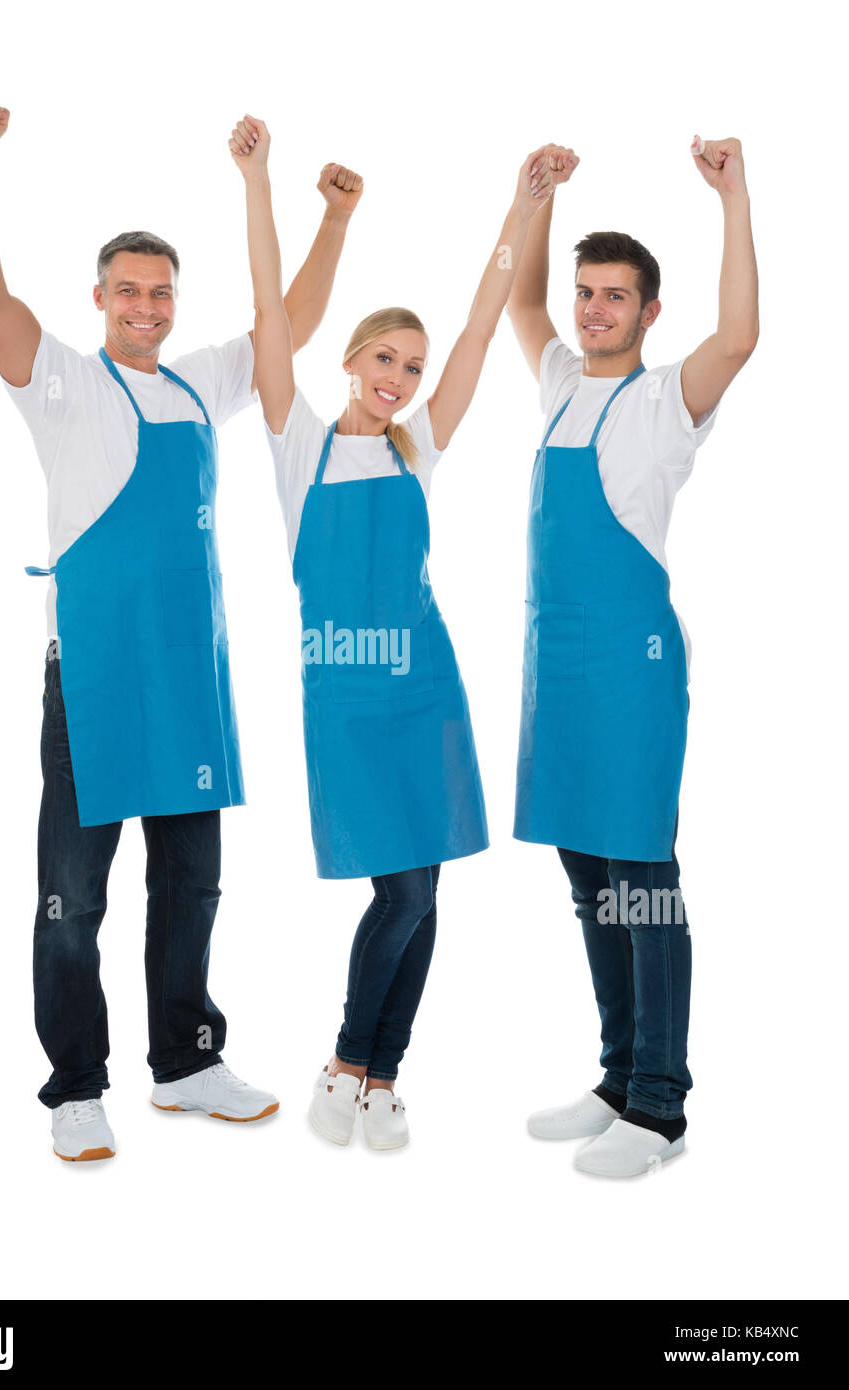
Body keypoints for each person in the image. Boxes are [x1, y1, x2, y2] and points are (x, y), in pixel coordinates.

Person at [0, 95, 363, 1162]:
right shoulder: (62, 385)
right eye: (128, 291)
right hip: (90, 675)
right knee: (71, 896)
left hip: (190, 677)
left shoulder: (197, 381)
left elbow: (292, 328)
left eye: (160, 292)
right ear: (99, 298)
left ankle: (185, 1061)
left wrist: (327, 220)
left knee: (194, 880)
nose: (146, 306)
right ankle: (75, 1086)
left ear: (175, 305)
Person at [233, 114, 556, 1149]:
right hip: (343, 697)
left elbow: (477, 326)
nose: (403, 378)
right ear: (351, 359)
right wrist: (260, 180)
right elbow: (267, 322)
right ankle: (345, 1057)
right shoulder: (297, 444)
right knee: (402, 886)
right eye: (386, 358)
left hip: (427, 691)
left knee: (424, 890)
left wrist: (523, 206)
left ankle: (379, 1078)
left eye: (412, 367)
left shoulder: (417, 444)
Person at [507, 137, 758, 1177]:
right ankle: (617, 1074)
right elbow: (522, 305)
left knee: (644, 881)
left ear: (651, 312)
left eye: (615, 296)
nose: (592, 308)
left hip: (633, 672)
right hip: (556, 670)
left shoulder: (666, 404)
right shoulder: (562, 381)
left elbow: (741, 335)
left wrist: (733, 196)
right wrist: (534, 199)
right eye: (587, 292)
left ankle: (660, 1106)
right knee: (588, 874)